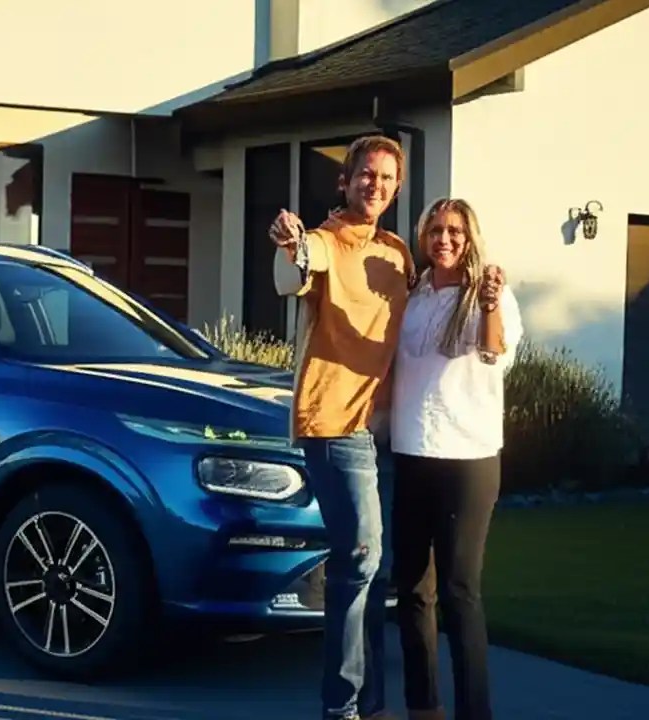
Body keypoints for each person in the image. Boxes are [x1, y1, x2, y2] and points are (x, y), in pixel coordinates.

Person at [269, 135, 416, 720]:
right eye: (365, 175)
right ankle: (344, 707)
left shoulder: (399, 254)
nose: (374, 185)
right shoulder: (328, 240)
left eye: (385, 178)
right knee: (360, 556)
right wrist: (291, 244)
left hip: (387, 427)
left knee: (372, 568)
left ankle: (370, 703)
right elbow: (296, 271)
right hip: (336, 422)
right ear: (345, 181)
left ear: (396, 188)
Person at [389, 198, 523, 720]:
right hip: (412, 452)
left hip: (467, 460)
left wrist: (489, 302)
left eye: (454, 232)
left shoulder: (489, 295)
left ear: (470, 239)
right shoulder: (414, 294)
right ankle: (423, 707)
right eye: (435, 230)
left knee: (459, 591)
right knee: (413, 591)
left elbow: (493, 351)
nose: (443, 239)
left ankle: (475, 712)